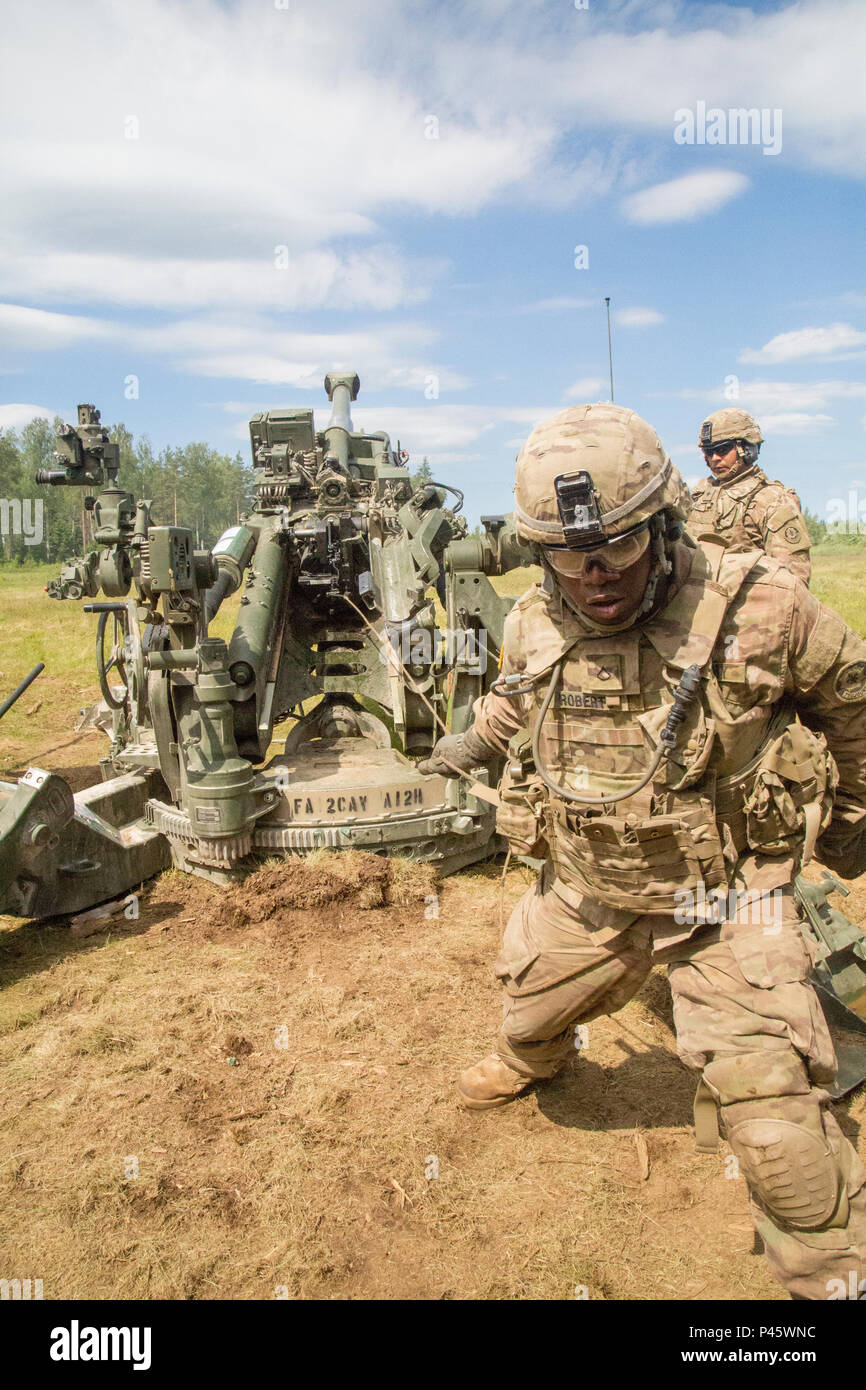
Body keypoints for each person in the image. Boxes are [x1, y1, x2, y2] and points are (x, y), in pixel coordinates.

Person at [419, 402, 866, 1300]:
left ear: (662, 522)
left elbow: (853, 703)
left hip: (726, 903)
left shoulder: (765, 606)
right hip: (588, 890)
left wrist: (852, 819)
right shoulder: (533, 619)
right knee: (523, 1020)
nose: (595, 575)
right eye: (566, 554)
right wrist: (463, 747)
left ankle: (828, 1283)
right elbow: (516, 698)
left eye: (619, 547)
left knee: (777, 1135)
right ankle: (533, 1059)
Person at [691, 408, 811, 583]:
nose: (715, 458)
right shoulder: (699, 496)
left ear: (747, 449)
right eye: (709, 452)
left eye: (723, 449)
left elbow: (793, 581)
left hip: (747, 604)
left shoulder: (773, 499)